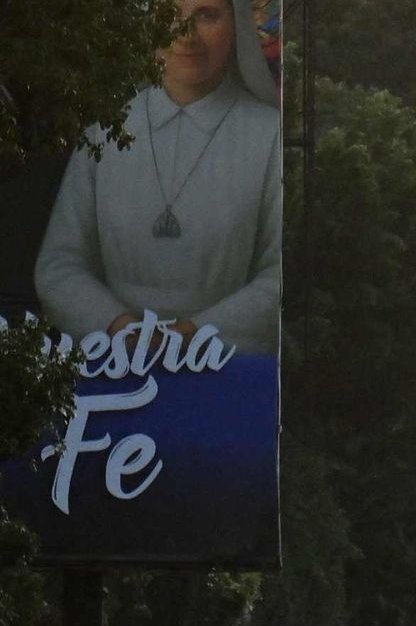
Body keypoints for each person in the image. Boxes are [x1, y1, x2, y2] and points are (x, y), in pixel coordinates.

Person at [35, 0, 283, 359]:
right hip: (113, 365)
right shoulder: (103, 131)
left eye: (207, 15)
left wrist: (189, 336)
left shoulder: (269, 136)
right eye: (167, 15)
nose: (185, 35)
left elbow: (280, 274)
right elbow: (59, 266)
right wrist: (124, 329)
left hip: (227, 368)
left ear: (238, 26)